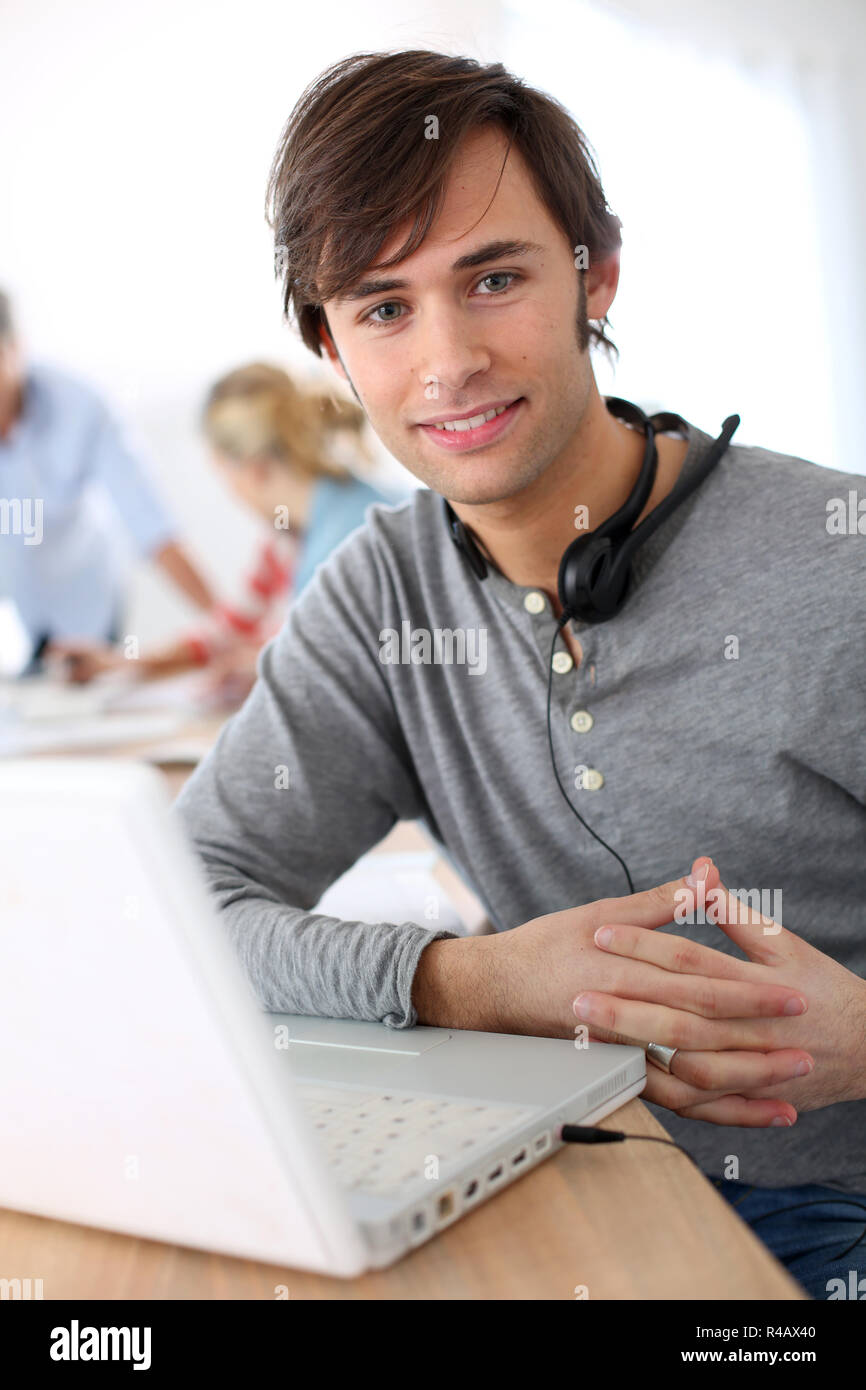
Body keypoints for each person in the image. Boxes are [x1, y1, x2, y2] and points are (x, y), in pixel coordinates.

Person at [173, 51, 866, 1299]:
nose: (445, 363)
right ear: (330, 344)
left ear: (594, 274)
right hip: (577, 1181)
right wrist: (468, 979)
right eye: (383, 308)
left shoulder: (840, 563)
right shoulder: (379, 596)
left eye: (491, 280)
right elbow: (183, 911)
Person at [51, 362, 395, 694]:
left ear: (253, 469)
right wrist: (125, 662)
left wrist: (264, 664)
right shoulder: (287, 536)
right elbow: (233, 628)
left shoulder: (348, 541)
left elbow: (330, 662)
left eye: (223, 475)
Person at [0, 289, 215, 653]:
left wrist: (222, 622)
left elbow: (150, 523)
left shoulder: (81, 405)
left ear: (17, 348)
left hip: (85, 611)